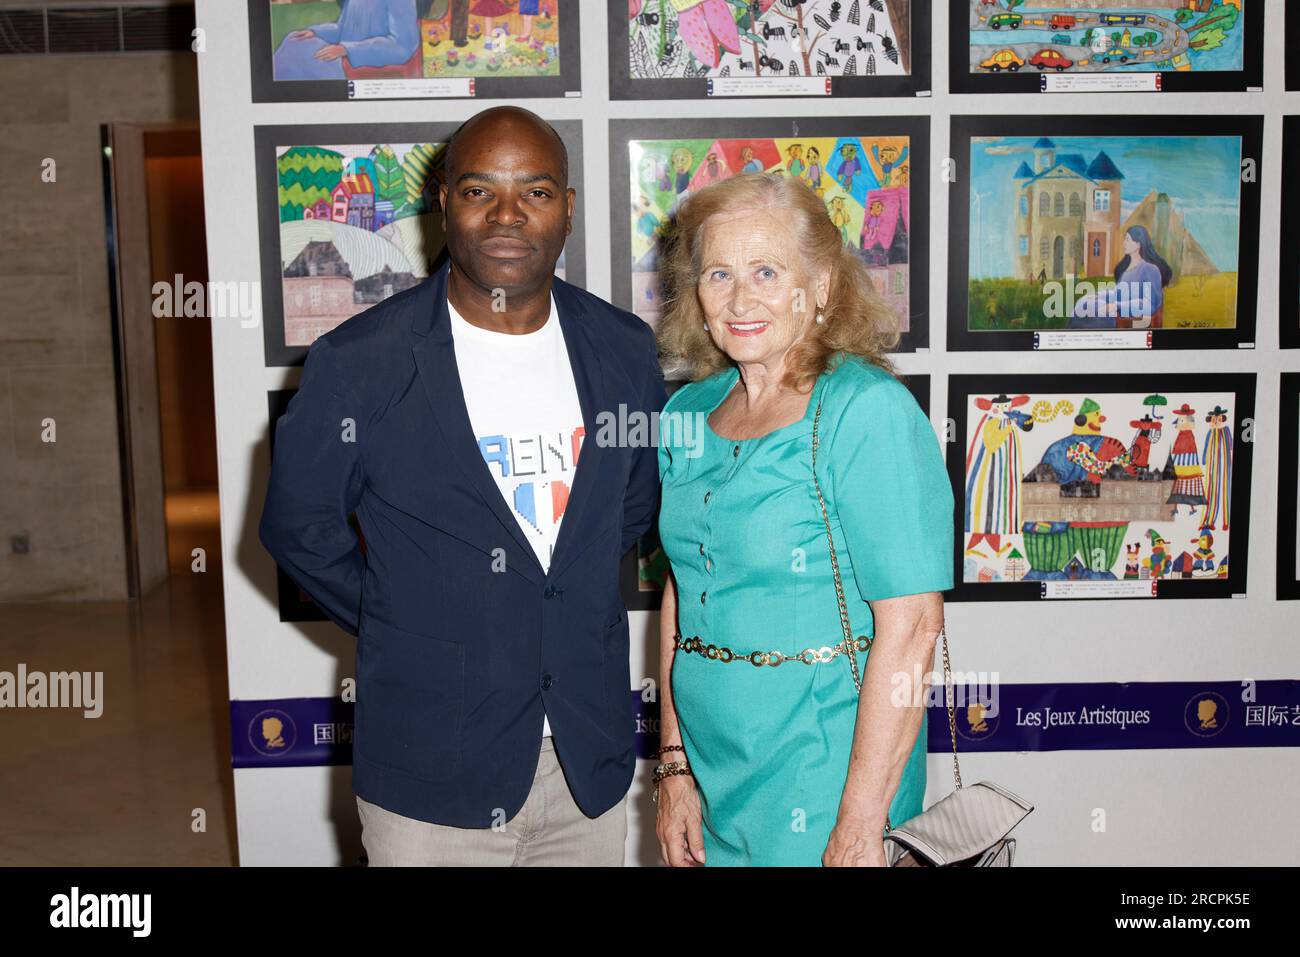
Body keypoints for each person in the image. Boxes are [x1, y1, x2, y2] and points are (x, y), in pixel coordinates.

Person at [259, 106, 667, 866]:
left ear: (569, 208)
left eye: (537, 192)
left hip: (587, 761)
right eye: (481, 191)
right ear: (443, 203)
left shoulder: (622, 347)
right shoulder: (361, 361)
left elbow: (634, 504)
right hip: (431, 767)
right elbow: (298, 527)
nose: (509, 215)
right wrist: (404, 616)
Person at [652, 172, 953, 866]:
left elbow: (913, 628)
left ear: (818, 286)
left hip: (826, 769)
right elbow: (684, 588)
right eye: (718, 272)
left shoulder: (864, 411)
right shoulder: (685, 416)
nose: (740, 298)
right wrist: (673, 767)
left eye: (766, 270)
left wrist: (860, 821)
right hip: (711, 768)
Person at [1068, 224, 1171, 330]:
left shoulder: (1149, 269)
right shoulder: (1126, 270)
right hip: (1117, 312)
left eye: (1128, 239)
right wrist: (1098, 295)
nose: (1124, 243)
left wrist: (1116, 306)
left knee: (1091, 319)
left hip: (1132, 317)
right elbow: (1117, 293)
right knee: (1083, 306)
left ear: (1138, 244)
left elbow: (1149, 305)